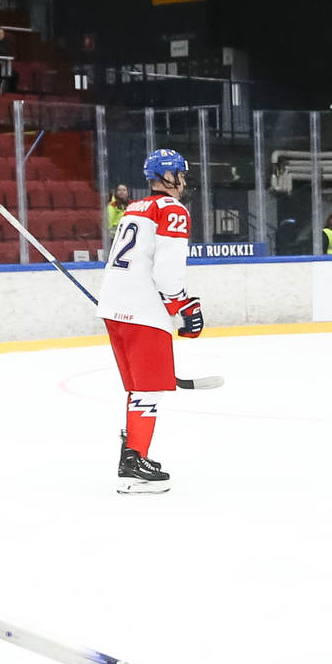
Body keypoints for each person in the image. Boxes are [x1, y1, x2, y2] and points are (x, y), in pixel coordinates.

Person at [95, 148, 199, 492]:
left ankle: (132, 454)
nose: (183, 181)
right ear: (168, 177)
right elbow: (168, 271)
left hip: (114, 308)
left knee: (140, 389)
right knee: (150, 389)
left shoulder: (134, 208)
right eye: (180, 174)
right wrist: (183, 306)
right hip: (143, 312)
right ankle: (134, 460)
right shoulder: (171, 210)